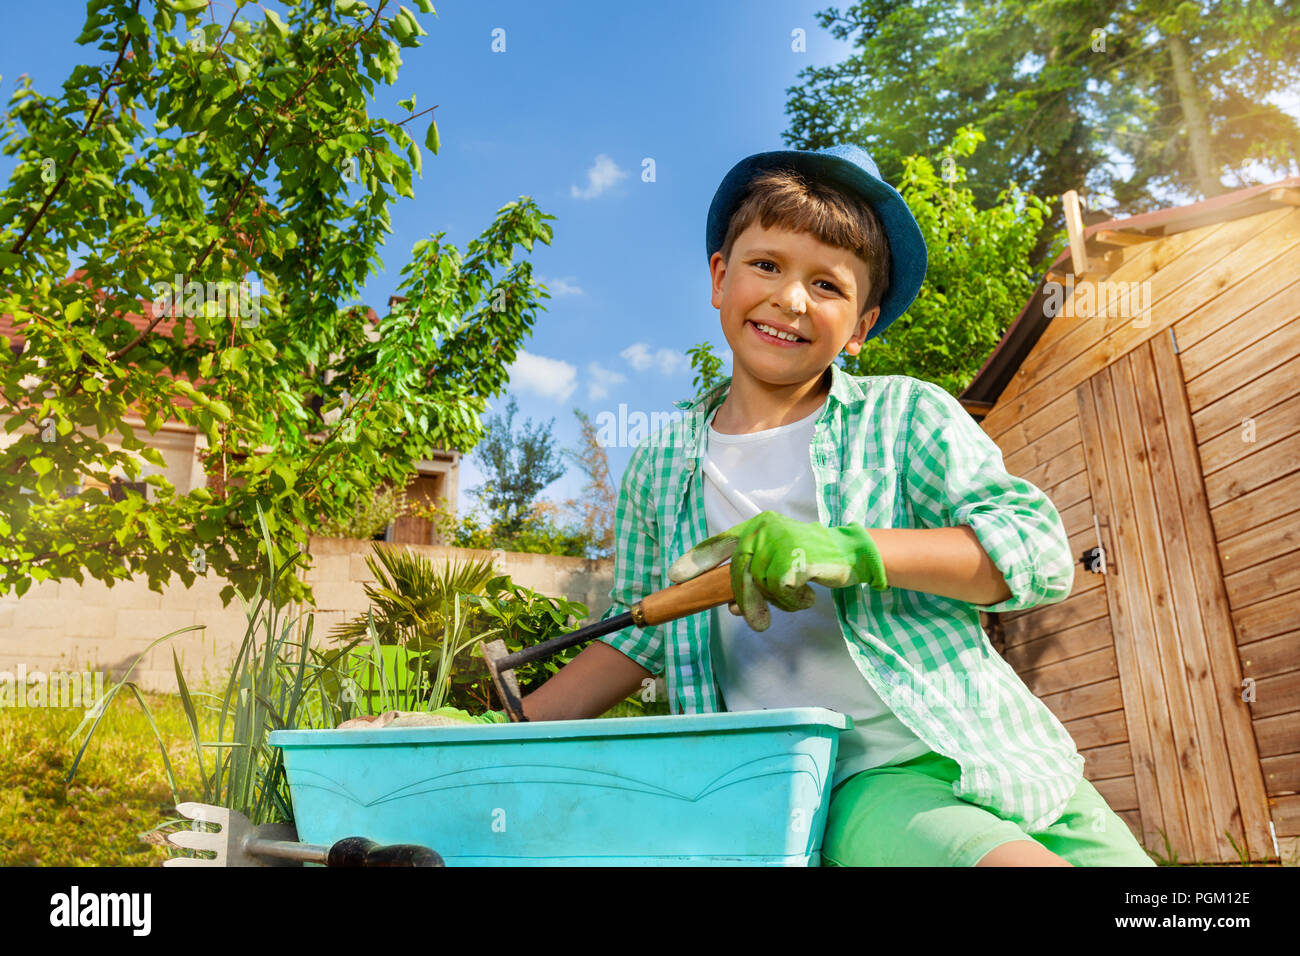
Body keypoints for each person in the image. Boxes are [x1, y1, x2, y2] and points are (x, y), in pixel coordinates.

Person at [493, 144, 1155, 867]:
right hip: (858, 780)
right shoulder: (660, 465)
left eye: (828, 285)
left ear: (863, 325)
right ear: (720, 276)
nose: (792, 299)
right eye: (768, 266)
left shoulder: (907, 418)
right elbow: (642, 634)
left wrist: (848, 550)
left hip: (1003, 753)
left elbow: (1035, 553)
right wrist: (490, 734)